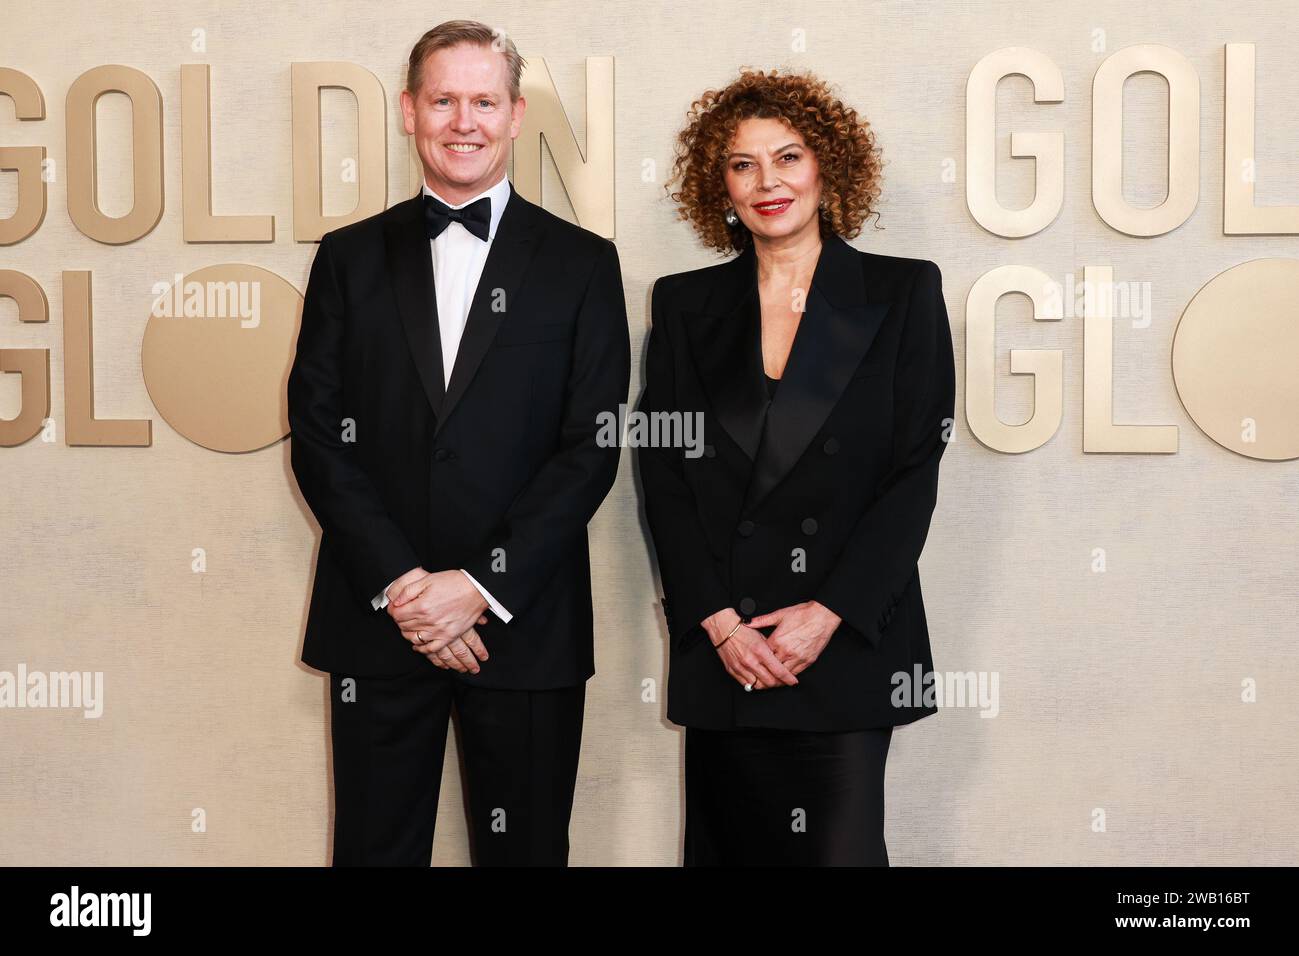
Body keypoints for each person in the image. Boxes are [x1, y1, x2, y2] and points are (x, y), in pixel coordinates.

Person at [288, 20, 630, 865]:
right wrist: (408, 586)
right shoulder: (347, 256)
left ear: (517, 116)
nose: (463, 120)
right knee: (372, 849)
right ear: (409, 112)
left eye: (484, 100)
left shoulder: (584, 263)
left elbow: (590, 448)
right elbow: (319, 437)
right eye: (444, 99)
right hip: (381, 620)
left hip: (523, 622)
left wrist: (480, 585)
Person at [636, 68, 955, 865]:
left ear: (827, 168)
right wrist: (714, 620)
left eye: (789, 157)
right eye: (743, 165)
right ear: (721, 185)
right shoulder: (682, 304)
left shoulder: (903, 291)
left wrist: (830, 611)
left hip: (843, 646)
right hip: (728, 652)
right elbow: (664, 481)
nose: (767, 182)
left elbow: (914, 473)